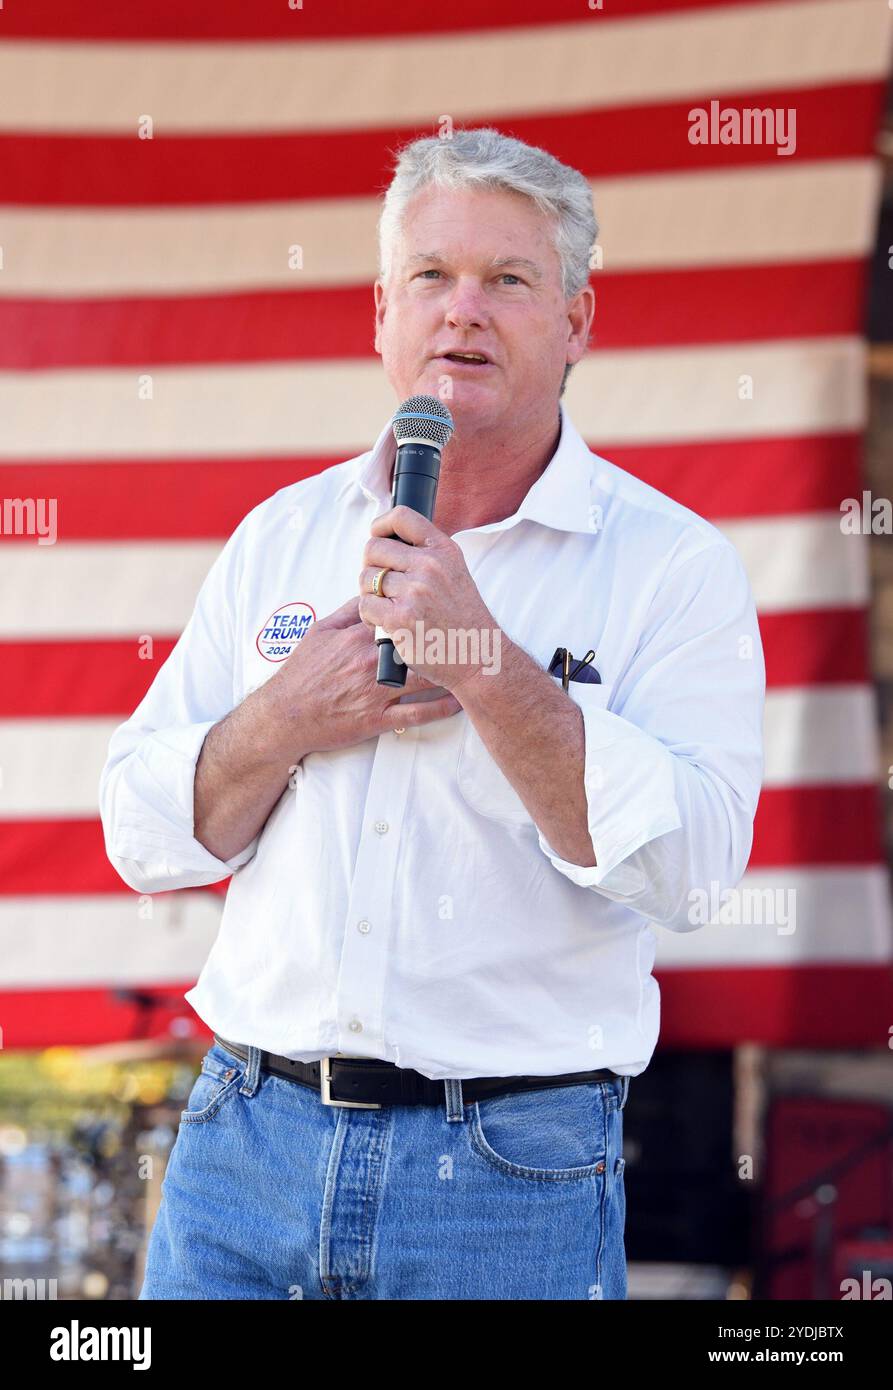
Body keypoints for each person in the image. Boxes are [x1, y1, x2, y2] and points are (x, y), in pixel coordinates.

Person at [99, 127, 764, 1301]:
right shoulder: (281, 537)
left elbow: (693, 870)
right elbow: (142, 833)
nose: (462, 312)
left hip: (511, 1176)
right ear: (379, 315)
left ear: (576, 323)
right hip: (243, 1149)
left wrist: (485, 661)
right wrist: (287, 715)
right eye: (430, 277)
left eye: (507, 280)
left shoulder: (672, 567)